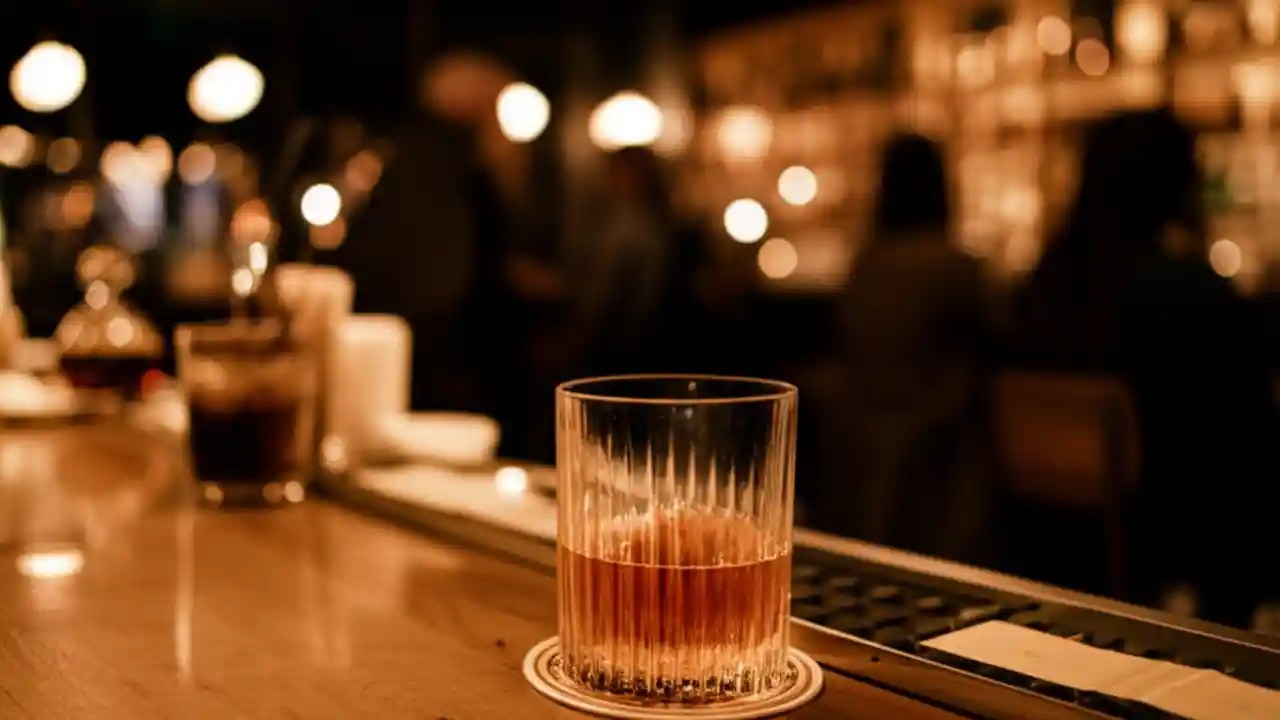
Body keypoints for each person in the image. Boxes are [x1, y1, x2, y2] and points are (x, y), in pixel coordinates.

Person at [1014, 109, 1276, 626]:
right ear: (1177, 183)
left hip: (1051, 545)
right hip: (1168, 537)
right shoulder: (1186, 291)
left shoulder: (1045, 286)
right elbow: (1247, 432)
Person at [819, 133, 991, 559]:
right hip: (929, 445)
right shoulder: (953, 266)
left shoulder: (866, 260)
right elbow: (1001, 330)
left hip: (858, 436)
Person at [336, 53, 518, 426]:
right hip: (439, 373)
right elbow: (439, 275)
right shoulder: (448, 168)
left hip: (404, 361)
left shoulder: (404, 157)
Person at [570, 146, 675, 375]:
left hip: (623, 341)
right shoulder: (632, 219)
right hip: (631, 337)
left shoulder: (634, 226)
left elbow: (608, 290)